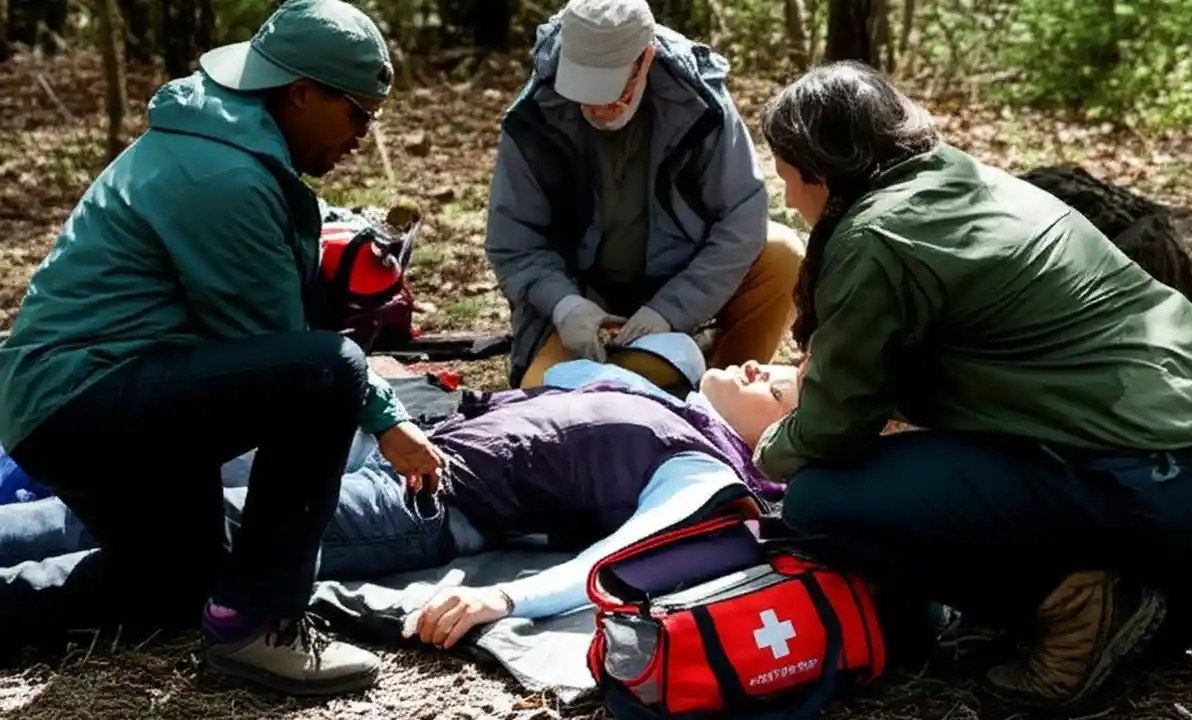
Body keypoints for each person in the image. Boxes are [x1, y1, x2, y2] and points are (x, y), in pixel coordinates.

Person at [751, 62, 1192, 707]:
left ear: (819, 172)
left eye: (785, 179)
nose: (788, 201)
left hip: (1143, 470)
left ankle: (1075, 607)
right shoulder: (961, 178)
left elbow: (835, 428)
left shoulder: (875, 238)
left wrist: (764, 446)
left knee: (821, 506)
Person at [0, 0, 446, 696]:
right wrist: (388, 419)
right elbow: (285, 353)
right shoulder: (224, 176)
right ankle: (262, 624)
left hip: (87, 395)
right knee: (328, 374)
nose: (364, 134)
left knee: (172, 586)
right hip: (85, 397)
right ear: (300, 93)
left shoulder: (222, 144)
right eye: (360, 112)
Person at [1, 335, 798, 656]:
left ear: (782, 449)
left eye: (786, 391)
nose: (765, 367)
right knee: (142, 490)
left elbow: (620, 556)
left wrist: (508, 600)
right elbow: (561, 376)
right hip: (405, 442)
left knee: (186, 529)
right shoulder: (670, 401)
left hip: (426, 508)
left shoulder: (708, 471)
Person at [485, 0, 805, 390]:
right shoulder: (533, 117)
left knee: (782, 254)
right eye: (585, 95)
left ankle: (720, 385)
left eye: (612, 94)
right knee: (545, 401)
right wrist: (564, 304)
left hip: (679, 278)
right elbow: (514, 241)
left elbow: (741, 217)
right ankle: (651, 371)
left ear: (646, 59)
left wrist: (671, 310)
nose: (599, 110)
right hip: (580, 293)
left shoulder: (701, 105)